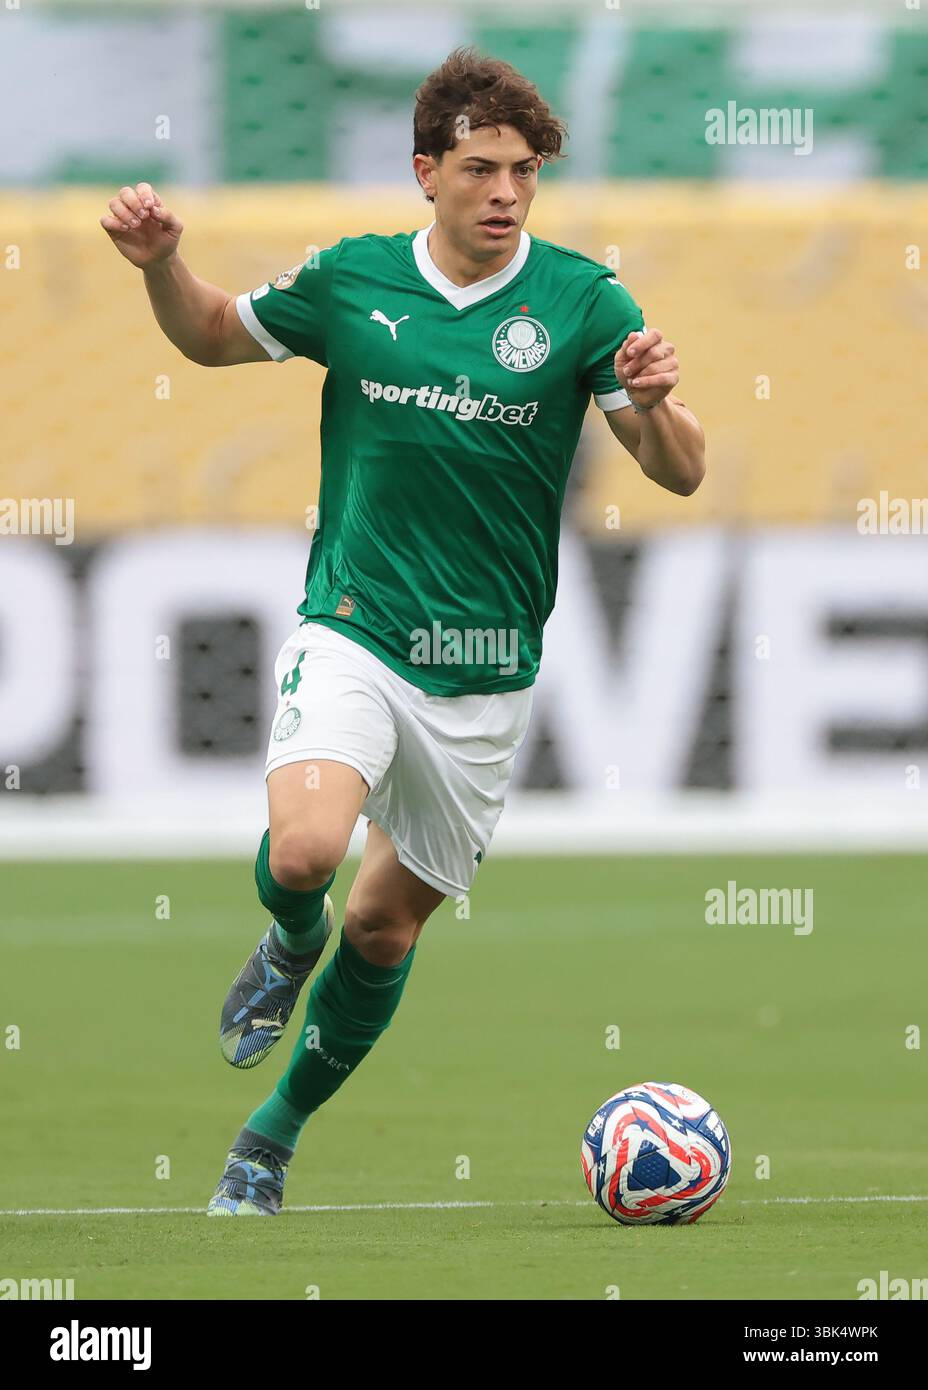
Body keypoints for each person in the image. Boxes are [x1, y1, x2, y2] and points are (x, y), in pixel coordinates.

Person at [100, 46, 705, 1216]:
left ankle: (268, 1142)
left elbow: (677, 474)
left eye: (524, 172)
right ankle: (285, 940)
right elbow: (214, 334)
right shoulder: (353, 281)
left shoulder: (589, 303)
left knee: (381, 929)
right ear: (424, 171)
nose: (505, 193)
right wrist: (163, 268)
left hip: (485, 675)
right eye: (479, 169)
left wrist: (663, 402)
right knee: (306, 858)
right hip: (357, 629)